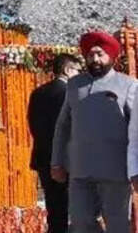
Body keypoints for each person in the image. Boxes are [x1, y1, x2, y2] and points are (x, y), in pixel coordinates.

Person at [51, 29, 138, 233]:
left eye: (100, 54)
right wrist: (57, 161)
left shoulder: (128, 85)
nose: (95, 59)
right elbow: (63, 126)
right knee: (80, 223)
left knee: (118, 226)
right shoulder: (74, 86)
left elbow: (136, 130)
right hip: (81, 170)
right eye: (91, 54)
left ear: (111, 56)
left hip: (116, 171)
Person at [27, 52, 80, 232]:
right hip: (67, 160)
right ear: (67, 70)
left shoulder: (37, 93)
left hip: (43, 159)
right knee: (73, 209)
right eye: (77, 71)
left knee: (54, 209)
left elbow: (33, 125)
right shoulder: (71, 93)